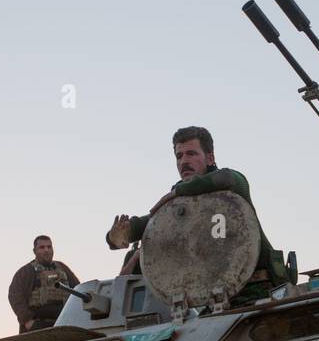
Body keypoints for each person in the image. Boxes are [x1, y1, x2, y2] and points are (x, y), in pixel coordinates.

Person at [106, 126, 293, 304]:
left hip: (264, 290)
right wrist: (121, 235)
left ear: (210, 158)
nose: (183, 161)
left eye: (191, 154)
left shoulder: (232, 184)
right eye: (179, 156)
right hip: (216, 300)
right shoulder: (178, 205)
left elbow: (227, 177)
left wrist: (177, 192)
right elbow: (149, 223)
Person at [7, 235, 80, 332]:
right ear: (34, 251)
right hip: (39, 323)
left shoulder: (63, 268)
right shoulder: (26, 271)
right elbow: (15, 296)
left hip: (65, 320)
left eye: (49, 247)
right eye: (42, 247)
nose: (46, 250)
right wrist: (27, 321)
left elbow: (78, 290)